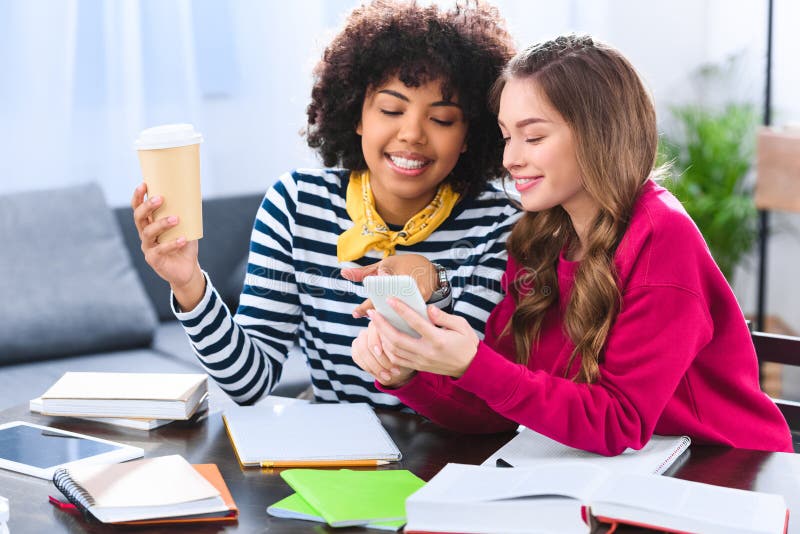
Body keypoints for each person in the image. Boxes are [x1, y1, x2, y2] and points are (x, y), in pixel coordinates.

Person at [353, 34, 793, 453]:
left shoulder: (662, 238)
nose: (510, 158)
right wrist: (411, 372)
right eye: (508, 136)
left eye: (535, 137)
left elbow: (619, 422)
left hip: (722, 476)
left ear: (598, 135)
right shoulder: (539, 237)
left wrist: (473, 365)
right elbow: (500, 404)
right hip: (622, 473)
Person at [130, 0, 519, 408]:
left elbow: (470, 389)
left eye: (441, 119)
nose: (412, 134)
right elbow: (248, 382)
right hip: (338, 455)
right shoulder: (297, 205)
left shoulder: (499, 224)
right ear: (357, 114)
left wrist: (434, 287)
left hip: (452, 455)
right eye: (391, 109)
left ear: (470, 135)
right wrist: (187, 283)